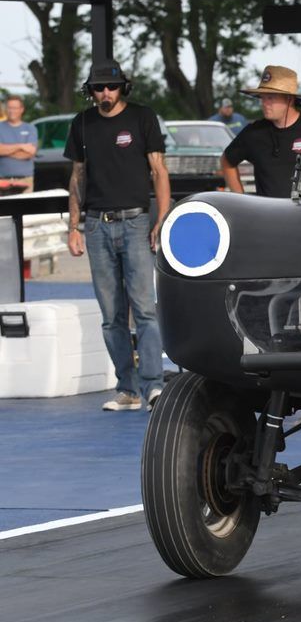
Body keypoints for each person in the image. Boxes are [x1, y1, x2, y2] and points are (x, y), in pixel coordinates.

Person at [64, 59, 170, 411]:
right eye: (98, 88)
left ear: (123, 87)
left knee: (145, 310)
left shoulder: (142, 117)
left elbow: (159, 170)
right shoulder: (82, 123)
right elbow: (77, 176)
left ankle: (153, 385)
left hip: (136, 221)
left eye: (111, 87)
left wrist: (161, 218)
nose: (105, 93)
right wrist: (74, 227)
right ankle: (128, 389)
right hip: (96, 225)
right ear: (90, 91)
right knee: (111, 316)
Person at [220, 66, 301, 197]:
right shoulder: (253, 133)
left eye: (271, 97)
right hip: (266, 210)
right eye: (262, 98)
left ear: (289, 99)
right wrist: (240, 200)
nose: (265, 103)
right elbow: (227, 161)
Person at [0, 95, 38, 193]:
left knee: (25, 204)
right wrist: (21, 146)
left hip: (25, 180)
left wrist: (5, 151)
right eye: (9, 107)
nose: (11, 111)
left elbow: (30, 153)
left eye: (15, 108)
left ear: (21, 109)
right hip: (2, 181)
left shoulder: (30, 128)